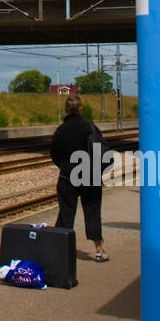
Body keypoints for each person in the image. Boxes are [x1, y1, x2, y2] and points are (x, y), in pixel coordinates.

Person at [50, 94, 108, 262]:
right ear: (80, 108)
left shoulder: (61, 130)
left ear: (66, 109)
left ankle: (61, 252)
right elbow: (101, 149)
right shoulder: (90, 127)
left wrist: (65, 167)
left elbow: (54, 153)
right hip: (90, 175)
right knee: (93, 212)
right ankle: (99, 250)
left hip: (68, 176)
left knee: (66, 213)